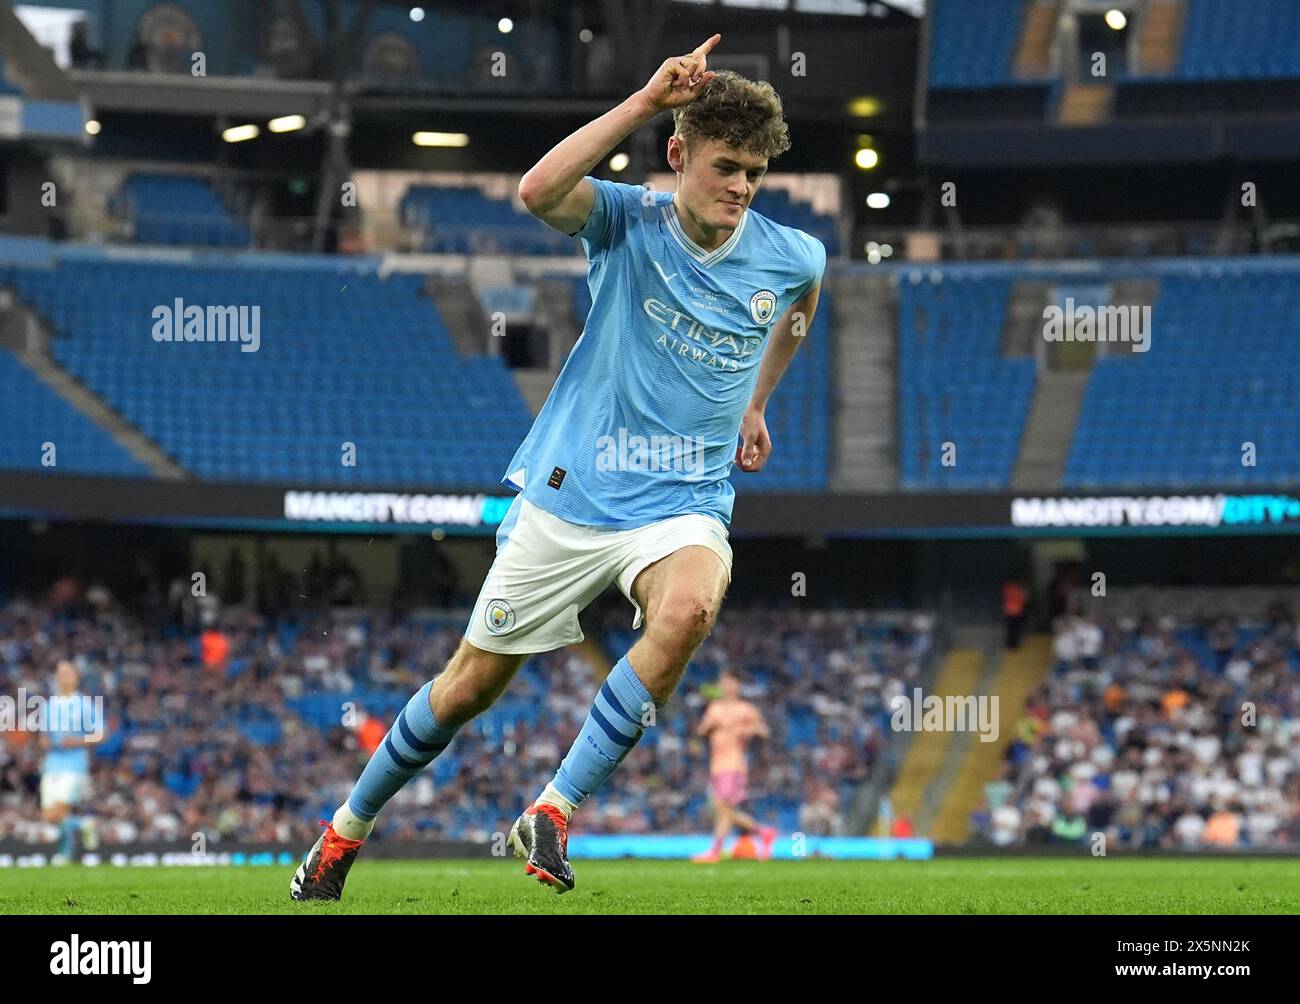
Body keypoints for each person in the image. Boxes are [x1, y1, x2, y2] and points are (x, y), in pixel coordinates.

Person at [291, 32, 825, 899]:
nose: (740, 188)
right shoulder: (626, 220)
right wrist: (647, 102)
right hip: (574, 490)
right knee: (467, 690)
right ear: (680, 154)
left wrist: (760, 400)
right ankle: (344, 832)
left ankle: (555, 807)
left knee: (688, 609)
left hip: (684, 498)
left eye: (755, 175)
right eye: (725, 165)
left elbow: (803, 302)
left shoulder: (790, 253)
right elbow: (536, 189)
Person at [692, 670, 776, 862]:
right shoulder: (714, 708)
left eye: (729, 683)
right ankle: (764, 832)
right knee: (722, 811)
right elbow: (701, 730)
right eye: (723, 683)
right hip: (716, 766)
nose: (726, 686)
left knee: (724, 810)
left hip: (734, 764)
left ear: (737, 685)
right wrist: (710, 725)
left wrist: (745, 729)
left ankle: (715, 852)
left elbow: (763, 731)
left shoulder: (745, 709)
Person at [40, 661, 105, 862]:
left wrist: (77, 741)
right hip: (51, 764)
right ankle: (83, 826)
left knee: (59, 810)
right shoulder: (49, 706)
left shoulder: (84, 705)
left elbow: (100, 734)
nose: (64, 677)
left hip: (74, 765)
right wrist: (45, 742)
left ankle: (65, 852)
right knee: (50, 817)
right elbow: (44, 735)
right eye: (60, 673)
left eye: (68, 673)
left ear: (76, 677)